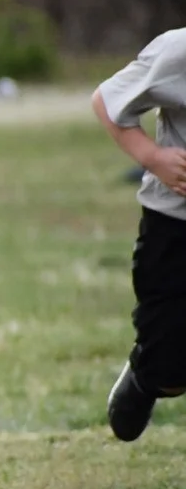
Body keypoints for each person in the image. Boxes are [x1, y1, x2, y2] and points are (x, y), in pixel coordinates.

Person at [92, 28, 186, 440]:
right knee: (171, 368)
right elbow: (109, 102)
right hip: (175, 223)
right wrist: (153, 158)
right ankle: (149, 373)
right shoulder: (178, 52)